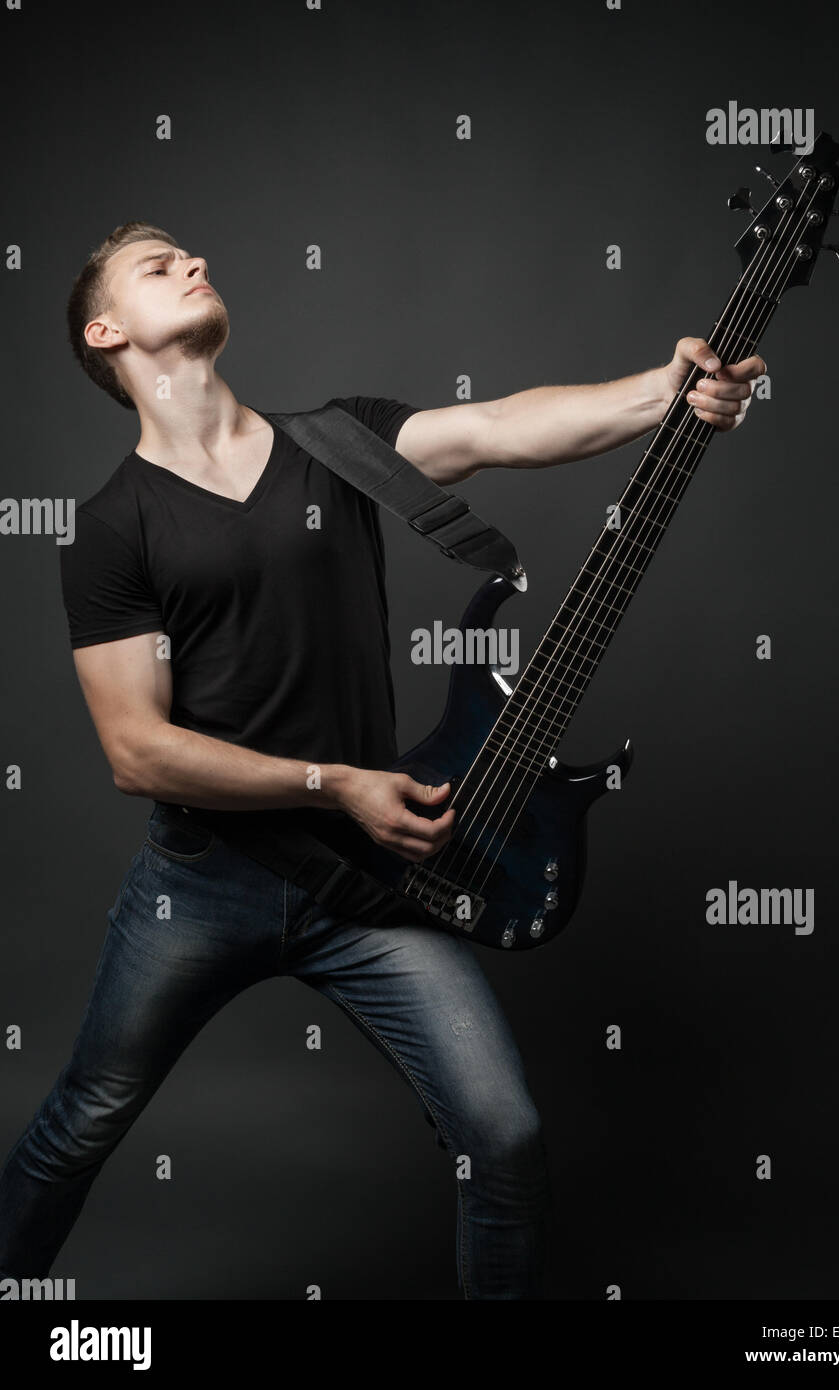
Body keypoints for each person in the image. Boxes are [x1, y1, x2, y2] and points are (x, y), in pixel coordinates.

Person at [0, 221, 764, 1299]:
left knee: (501, 1138)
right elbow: (137, 750)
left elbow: (502, 427)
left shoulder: (334, 443)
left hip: (368, 887)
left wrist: (665, 392)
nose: (196, 262)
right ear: (106, 330)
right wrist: (334, 782)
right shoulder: (108, 529)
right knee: (81, 1121)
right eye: (158, 263)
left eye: (195, 254)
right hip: (200, 890)